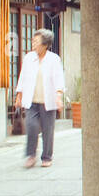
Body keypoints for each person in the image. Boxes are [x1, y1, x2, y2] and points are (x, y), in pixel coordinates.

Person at [14, 28, 66, 168]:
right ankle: (31, 156)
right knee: (31, 127)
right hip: (32, 101)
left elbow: (58, 79)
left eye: (36, 41)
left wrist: (58, 96)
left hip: (47, 101)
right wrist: (19, 95)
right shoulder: (29, 58)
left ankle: (47, 157)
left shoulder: (54, 59)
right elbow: (22, 77)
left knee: (48, 130)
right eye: (33, 41)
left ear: (45, 44)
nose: (33, 44)